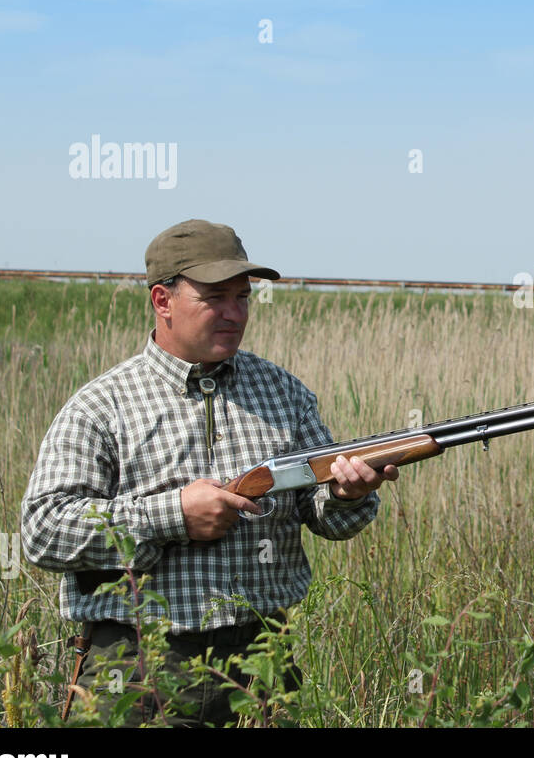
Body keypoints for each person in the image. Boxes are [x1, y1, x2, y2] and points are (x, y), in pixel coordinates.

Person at [20, 219, 397, 726]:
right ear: (162, 300)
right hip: (136, 670)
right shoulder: (101, 406)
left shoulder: (283, 392)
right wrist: (171, 515)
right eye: (216, 297)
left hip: (263, 666)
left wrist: (350, 494)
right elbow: (43, 531)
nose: (234, 313)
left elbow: (326, 516)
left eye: (243, 297)